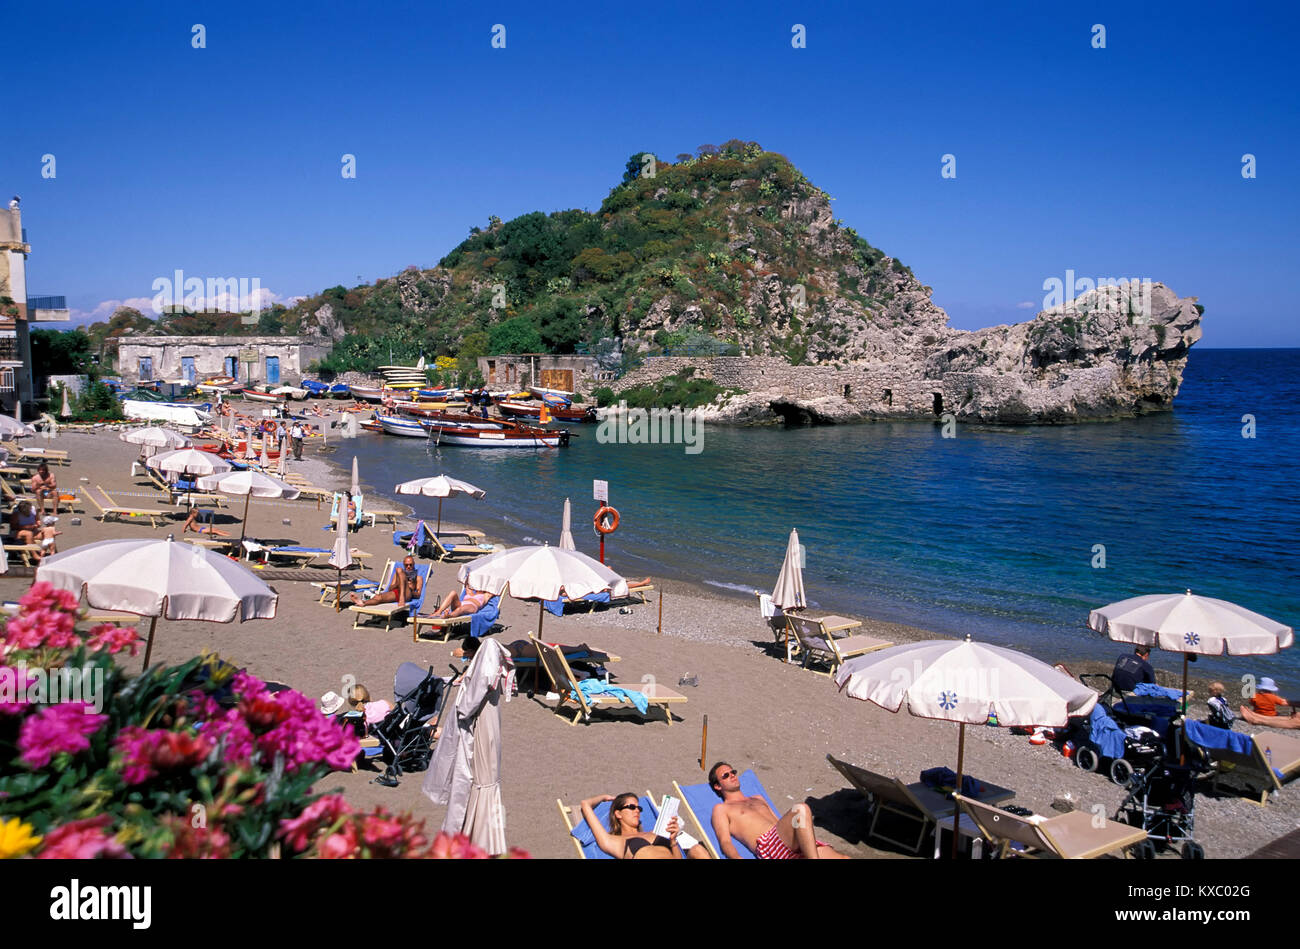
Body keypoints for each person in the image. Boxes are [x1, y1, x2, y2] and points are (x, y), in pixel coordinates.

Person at [708, 761, 848, 859]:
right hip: (769, 846)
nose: (732, 775)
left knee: (844, 858)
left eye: (733, 772)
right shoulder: (721, 809)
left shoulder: (758, 798)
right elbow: (724, 841)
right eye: (725, 775)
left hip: (788, 841)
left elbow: (779, 822)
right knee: (801, 809)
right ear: (718, 786)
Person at [579, 793, 710, 860]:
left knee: (697, 849)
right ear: (618, 813)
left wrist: (673, 841)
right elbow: (585, 804)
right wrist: (604, 798)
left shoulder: (656, 831)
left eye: (638, 807)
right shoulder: (615, 841)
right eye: (631, 807)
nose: (637, 810)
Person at [348, 555, 422, 607]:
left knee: (399, 570)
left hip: (407, 595)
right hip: (397, 592)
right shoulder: (398, 574)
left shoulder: (418, 578)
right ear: (404, 565)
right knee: (379, 597)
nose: (408, 567)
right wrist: (398, 583)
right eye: (406, 565)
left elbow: (418, 595)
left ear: (414, 564)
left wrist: (409, 587)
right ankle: (363, 602)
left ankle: (402, 598)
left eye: (410, 565)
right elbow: (390, 588)